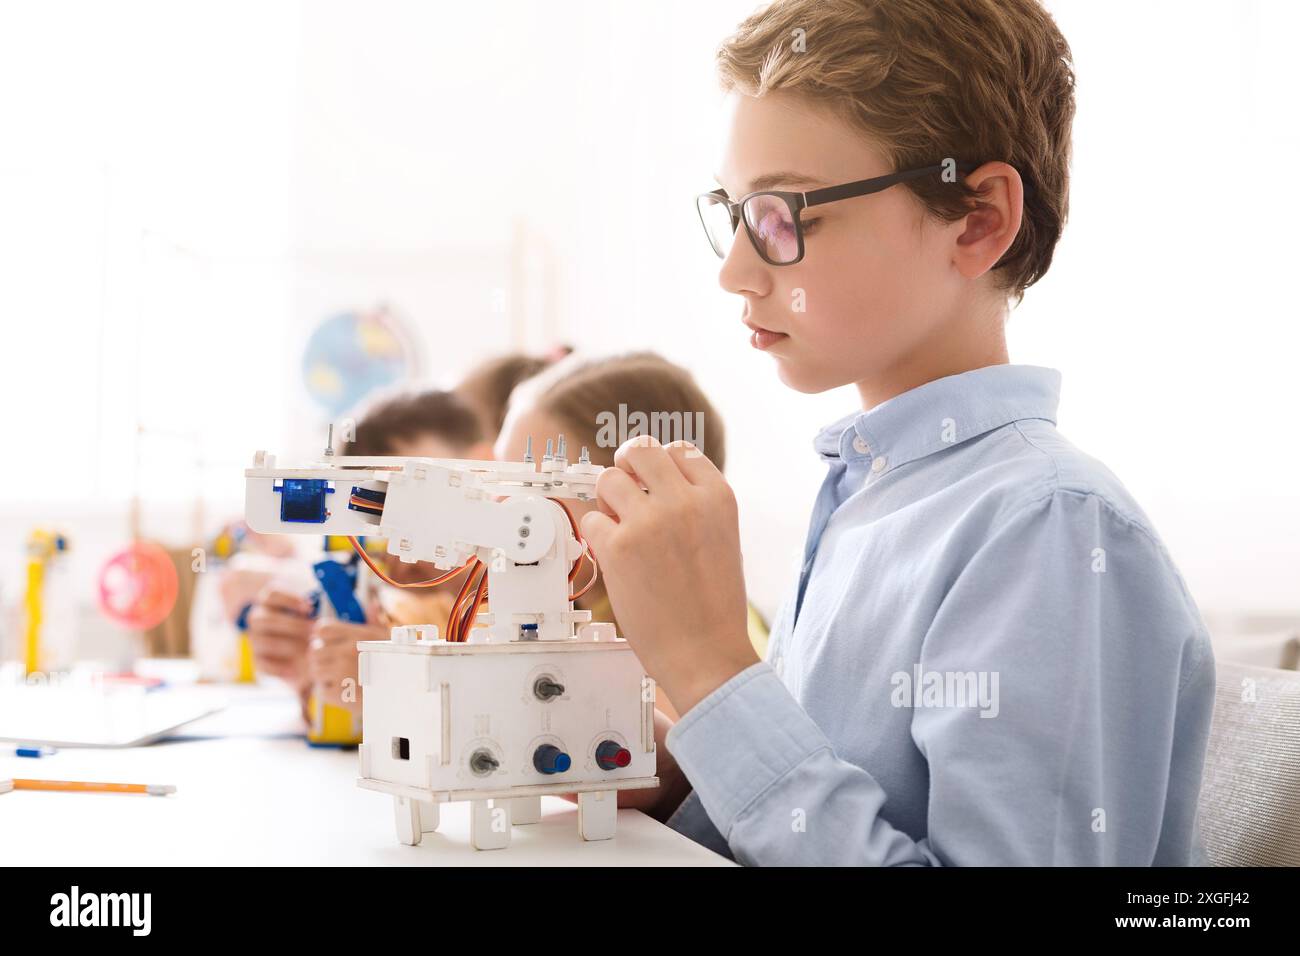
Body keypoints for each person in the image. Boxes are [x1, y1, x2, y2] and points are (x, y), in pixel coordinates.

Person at [577, 0, 1215, 865]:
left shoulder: (1047, 528)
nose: (734, 271)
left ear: (979, 218)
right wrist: (690, 775)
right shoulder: (867, 495)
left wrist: (713, 672)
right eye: (734, 213)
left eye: (784, 215)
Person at [495, 350, 771, 719]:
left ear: (638, 491)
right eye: (499, 480)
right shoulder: (582, 608)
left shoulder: (711, 646)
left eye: (533, 489)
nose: (502, 507)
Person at [245, 388, 486, 722]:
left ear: (485, 467)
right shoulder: (403, 611)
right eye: (376, 532)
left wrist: (398, 684)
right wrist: (309, 669)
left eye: (412, 511)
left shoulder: (528, 600)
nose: (397, 558)